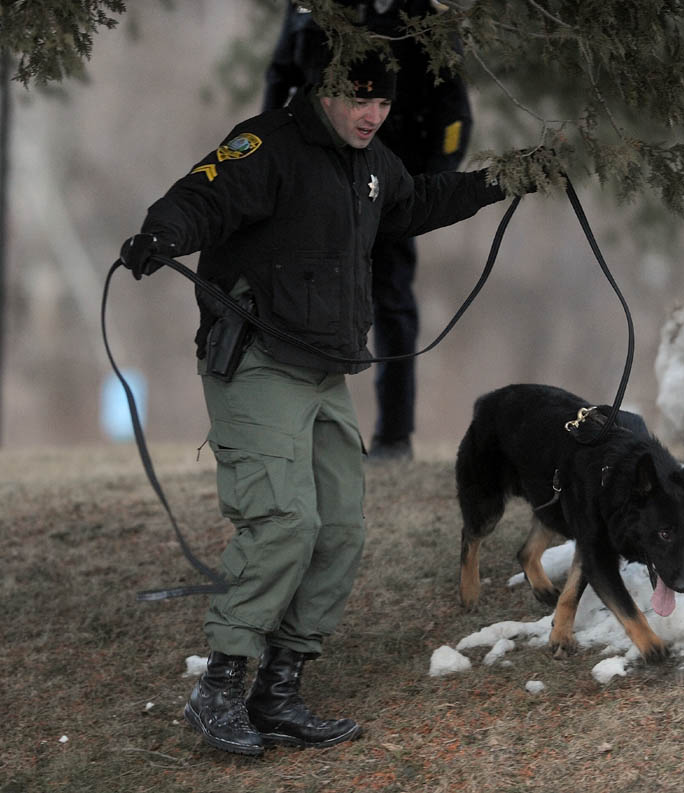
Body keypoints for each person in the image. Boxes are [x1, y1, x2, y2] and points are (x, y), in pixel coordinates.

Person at [119, 53, 525, 757]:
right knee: (284, 519)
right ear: (325, 91)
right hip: (256, 358)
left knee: (338, 527)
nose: (372, 114)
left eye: (383, 105)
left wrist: (504, 180)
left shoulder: (370, 164)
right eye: (357, 100)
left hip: (323, 368)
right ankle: (218, 688)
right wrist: (161, 234)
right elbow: (200, 195)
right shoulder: (269, 145)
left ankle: (277, 693)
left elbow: (419, 201)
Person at [263, 0, 474, 461]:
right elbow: (280, 78)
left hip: (393, 186)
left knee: (392, 307)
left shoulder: (424, 12)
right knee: (299, 301)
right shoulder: (310, 7)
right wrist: (270, 159)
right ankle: (302, 431)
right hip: (314, 179)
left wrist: (428, 188)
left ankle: (394, 437)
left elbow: (454, 116)